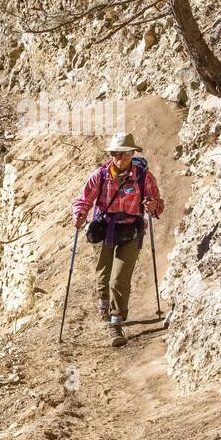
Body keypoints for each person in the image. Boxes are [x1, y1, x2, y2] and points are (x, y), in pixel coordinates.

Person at [71, 133, 165, 347]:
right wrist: (80, 214)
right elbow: (83, 200)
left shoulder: (144, 177)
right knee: (103, 275)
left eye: (123, 153)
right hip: (105, 230)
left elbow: (158, 204)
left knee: (119, 279)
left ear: (132, 153)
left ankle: (116, 322)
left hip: (131, 231)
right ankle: (104, 303)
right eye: (115, 153)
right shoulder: (101, 175)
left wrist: (153, 206)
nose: (118, 157)